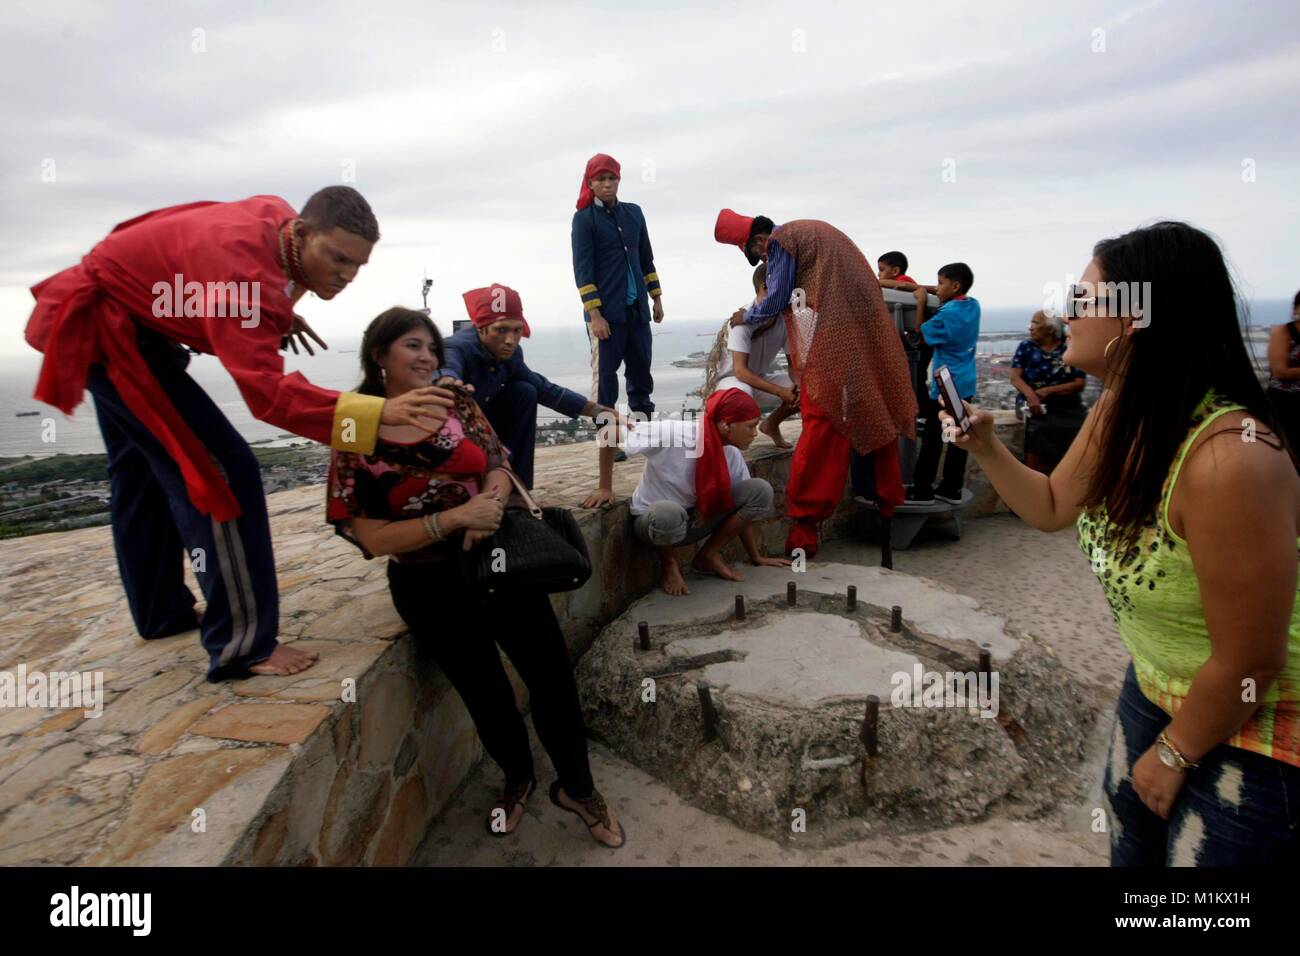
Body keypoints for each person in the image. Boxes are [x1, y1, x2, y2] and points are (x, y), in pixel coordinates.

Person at [941, 221, 1300, 866]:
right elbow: (1051, 506)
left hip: (1264, 730)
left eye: (1084, 301)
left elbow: (1252, 659)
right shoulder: (1122, 411)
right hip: (1158, 689)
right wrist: (986, 445)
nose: (1065, 314)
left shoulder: (1230, 462)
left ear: (1135, 318)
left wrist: (1173, 753)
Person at [24, 187, 455, 681]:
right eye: (337, 259)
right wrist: (379, 415)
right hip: (115, 335)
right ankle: (243, 645)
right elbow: (267, 398)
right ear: (301, 232)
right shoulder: (240, 280)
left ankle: (161, 613)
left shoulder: (275, 225)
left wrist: (279, 311)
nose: (346, 276)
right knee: (224, 472)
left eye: (357, 265)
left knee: (141, 475)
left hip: (124, 322)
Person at [328, 307, 625, 848]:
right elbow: (368, 535)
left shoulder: (456, 401)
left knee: (552, 678)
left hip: (497, 562)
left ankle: (579, 790)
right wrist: (451, 519)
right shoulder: (354, 420)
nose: (426, 356)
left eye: (431, 348)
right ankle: (519, 779)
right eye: (411, 346)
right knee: (486, 693)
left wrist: (488, 502)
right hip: (428, 583)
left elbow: (498, 463)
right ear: (379, 354)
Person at [717, 208, 917, 558]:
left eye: (761, 254)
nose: (766, 257)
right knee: (876, 414)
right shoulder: (816, 232)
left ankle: (804, 537)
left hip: (835, 340)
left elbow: (778, 298)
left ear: (760, 241)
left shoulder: (782, 240)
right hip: (866, 335)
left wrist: (746, 316)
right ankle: (887, 514)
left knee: (822, 426)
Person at [436, 283, 621, 490]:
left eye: (517, 330)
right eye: (501, 330)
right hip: (448, 432)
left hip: (483, 426)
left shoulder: (511, 355)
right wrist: (448, 382)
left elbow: (543, 389)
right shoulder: (457, 347)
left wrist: (600, 411)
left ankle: (518, 490)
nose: (510, 340)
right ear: (481, 328)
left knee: (525, 391)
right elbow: (446, 367)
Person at [624, 388, 790, 596]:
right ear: (726, 424)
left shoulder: (731, 453)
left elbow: (743, 509)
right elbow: (616, 432)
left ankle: (708, 555)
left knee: (760, 490)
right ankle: (670, 564)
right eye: (750, 426)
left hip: (695, 521)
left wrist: (755, 557)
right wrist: (604, 487)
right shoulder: (674, 433)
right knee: (668, 512)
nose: (755, 433)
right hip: (656, 526)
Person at [571, 153, 664, 508]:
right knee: (607, 386)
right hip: (606, 318)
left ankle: (644, 437)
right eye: (601, 179)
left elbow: (646, 259)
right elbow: (583, 271)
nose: (607, 184)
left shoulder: (634, 213)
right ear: (591, 183)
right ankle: (610, 450)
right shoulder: (584, 220)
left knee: (641, 378)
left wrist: (655, 298)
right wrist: (594, 314)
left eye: (612, 179)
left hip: (637, 310)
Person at [703, 263, 799, 448]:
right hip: (733, 383)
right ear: (765, 286)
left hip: (760, 381)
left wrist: (799, 387)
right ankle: (725, 449)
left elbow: (793, 365)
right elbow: (740, 371)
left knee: (807, 391)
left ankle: (771, 424)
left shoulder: (785, 319)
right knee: (741, 399)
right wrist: (780, 391)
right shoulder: (741, 320)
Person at [907, 263, 980, 503]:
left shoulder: (947, 314)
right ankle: (952, 486)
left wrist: (919, 302)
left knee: (933, 437)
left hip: (946, 385)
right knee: (959, 435)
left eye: (940, 283)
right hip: (965, 382)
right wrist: (928, 289)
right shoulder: (973, 305)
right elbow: (950, 295)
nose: (936, 288)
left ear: (955, 285)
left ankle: (923, 489)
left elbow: (920, 333)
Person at [1009, 309, 1087, 473]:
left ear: (1051, 329)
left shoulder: (1068, 347)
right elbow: (1015, 377)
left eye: (1036, 323)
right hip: (1032, 400)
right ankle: (1031, 474)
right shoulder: (1026, 346)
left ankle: (1070, 471)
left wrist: (1048, 391)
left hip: (1065, 402)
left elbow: (1079, 383)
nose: (1030, 327)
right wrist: (1032, 396)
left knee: (1079, 428)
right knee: (1038, 428)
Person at [1266, 290, 1300, 462]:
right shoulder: (1283, 331)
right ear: (1295, 309)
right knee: (1288, 450)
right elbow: (1280, 371)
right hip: (1285, 400)